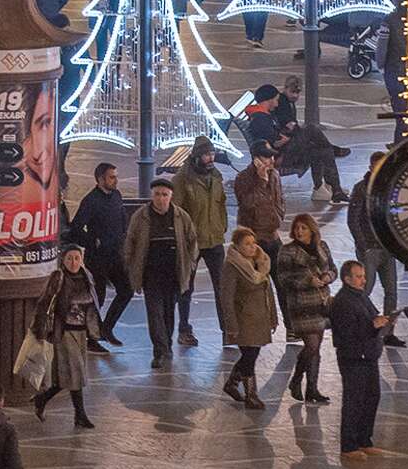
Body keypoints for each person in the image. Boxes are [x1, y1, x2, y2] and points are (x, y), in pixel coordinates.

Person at [122, 177, 198, 368]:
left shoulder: (181, 217)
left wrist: (189, 265)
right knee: (154, 313)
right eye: (157, 194)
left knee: (168, 313)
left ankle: (167, 346)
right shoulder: (141, 217)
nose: (161, 198)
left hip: (173, 273)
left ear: (170, 196)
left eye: (165, 195)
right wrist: (132, 267)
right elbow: (130, 243)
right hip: (151, 274)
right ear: (152, 195)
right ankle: (160, 351)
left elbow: (192, 242)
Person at [28, 245, 101, 428]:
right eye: (70, 258)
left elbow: (93, 305)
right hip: (64, 332)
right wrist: (40, 329)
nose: (73, 262)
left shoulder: (87, 277)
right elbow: (45, 303)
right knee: (75, 372)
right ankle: (80, 415)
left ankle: (42, 399)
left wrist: (96, 330)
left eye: (77, 258)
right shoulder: (58, 278)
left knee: (70, 375)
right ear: (63, 260)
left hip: (81, 332)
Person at [66, 161, 131, 351]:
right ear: (100, 179)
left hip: (115, 255)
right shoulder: (91, 200)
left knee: (126, 289)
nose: (115, 180)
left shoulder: (116, 196)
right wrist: (92, 241)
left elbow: (121, 220)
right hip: (98, 258)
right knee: (97, 298)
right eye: (112, 177)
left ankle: (106, 328)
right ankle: (90, 337)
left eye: (116, 176)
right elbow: (75, 228)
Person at [329, 260, 391, 459]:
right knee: (354, 401)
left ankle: (365, 440)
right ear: (347, 279)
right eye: (358, 276)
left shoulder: (361, 296)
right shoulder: (342, 301)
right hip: (353, 357)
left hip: (369, 354)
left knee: (372, 397)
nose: (363, 280)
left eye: (363, 276)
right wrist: (373, 326)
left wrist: (380, 322)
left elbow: (371, 317)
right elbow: (347, 333)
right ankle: (349, 445)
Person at [171, 136, 230, 345]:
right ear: (196, 157)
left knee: (222, 287)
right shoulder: (182, 179)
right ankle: (184, 328)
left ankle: (227, 329)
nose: (210, 158)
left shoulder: (216, 176)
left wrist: (222, 225)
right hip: (192, 242)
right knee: (186, 287)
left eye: (212, 154)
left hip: (214, 239)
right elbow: (175, 211)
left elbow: (221, 203)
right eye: (206, 154)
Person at [275, 215, 337, 404]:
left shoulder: (322, 246)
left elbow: (334, 269)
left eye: (303, 228)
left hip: (321, 304)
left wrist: (328, 277)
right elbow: (283, 278)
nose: (299, 231)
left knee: (316, 348)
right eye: (297, 228)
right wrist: (307, 281)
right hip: (301, 305)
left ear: (312, 229)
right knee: (311, 345)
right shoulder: (287, 251)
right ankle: (296, 380)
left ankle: (312, 389)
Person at [346, 162, 407, 347]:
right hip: (371, 249)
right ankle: (360, 329)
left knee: (391, 293)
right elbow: (353, 219)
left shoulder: (391, 186)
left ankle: (388, 333)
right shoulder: (361, 189)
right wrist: (363, 245)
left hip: (387, 249)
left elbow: (396, 211)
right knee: (365, 290)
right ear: (371, 167)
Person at [218, 227, 279, 409]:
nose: (252, 247)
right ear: (237, 246)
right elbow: (226, 297)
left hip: (259, 317)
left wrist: (273, 317)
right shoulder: (232, 266)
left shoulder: (259, 263)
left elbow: (268, 292)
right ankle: (251, 395)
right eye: (247, 244)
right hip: (243, 319)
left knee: (250, 354)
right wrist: (231, 325)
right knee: (250, 356)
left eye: (253, 243)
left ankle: (232, 383)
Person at [233, 141, 287, 268]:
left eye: (272, 156)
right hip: (256, 239)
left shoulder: (274, 175)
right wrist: (261, 182)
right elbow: (247, 203)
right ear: (256, 159)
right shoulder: (243, 178)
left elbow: (280, 198)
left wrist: (280, 213)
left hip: (273, 235)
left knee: (283, 280)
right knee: (259, 281)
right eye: (267, 157)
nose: (272, 160)